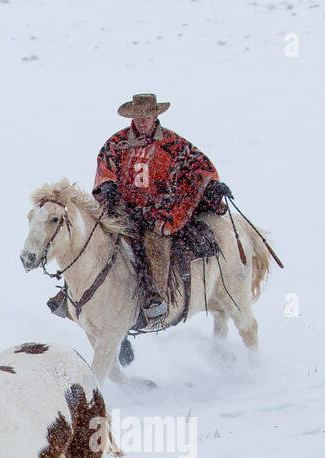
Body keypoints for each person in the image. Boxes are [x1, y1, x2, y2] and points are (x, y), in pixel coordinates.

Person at [92, 93, 225, 320]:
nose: (143, 120)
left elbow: (199, 165)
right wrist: (106, 186)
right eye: (138, 116)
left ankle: (156, 296)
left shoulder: (173, 144)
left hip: (160, 210)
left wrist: (211, 184)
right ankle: (77, 295)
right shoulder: (116, 143)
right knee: (91, 237)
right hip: (122, 208)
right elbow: (105, 168)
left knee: (156, 241)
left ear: (156, 115)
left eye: (148, 116)